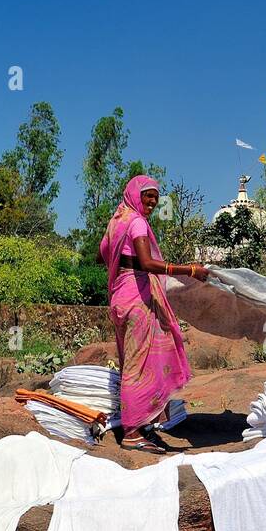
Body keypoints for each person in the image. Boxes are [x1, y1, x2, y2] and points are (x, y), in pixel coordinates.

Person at [98, 175, 209, 453]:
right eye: (147, 196)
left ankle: (141, 421)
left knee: (131, 362)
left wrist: (122, 260)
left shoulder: (116, 222)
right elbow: (147, 263)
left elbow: (101, 255)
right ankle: (133, 432)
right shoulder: (136, 222)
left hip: (119, 298)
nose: (151, 202)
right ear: (136, 194)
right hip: (136, 300)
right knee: (139, 364)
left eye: (156, 198)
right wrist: (189, 270)